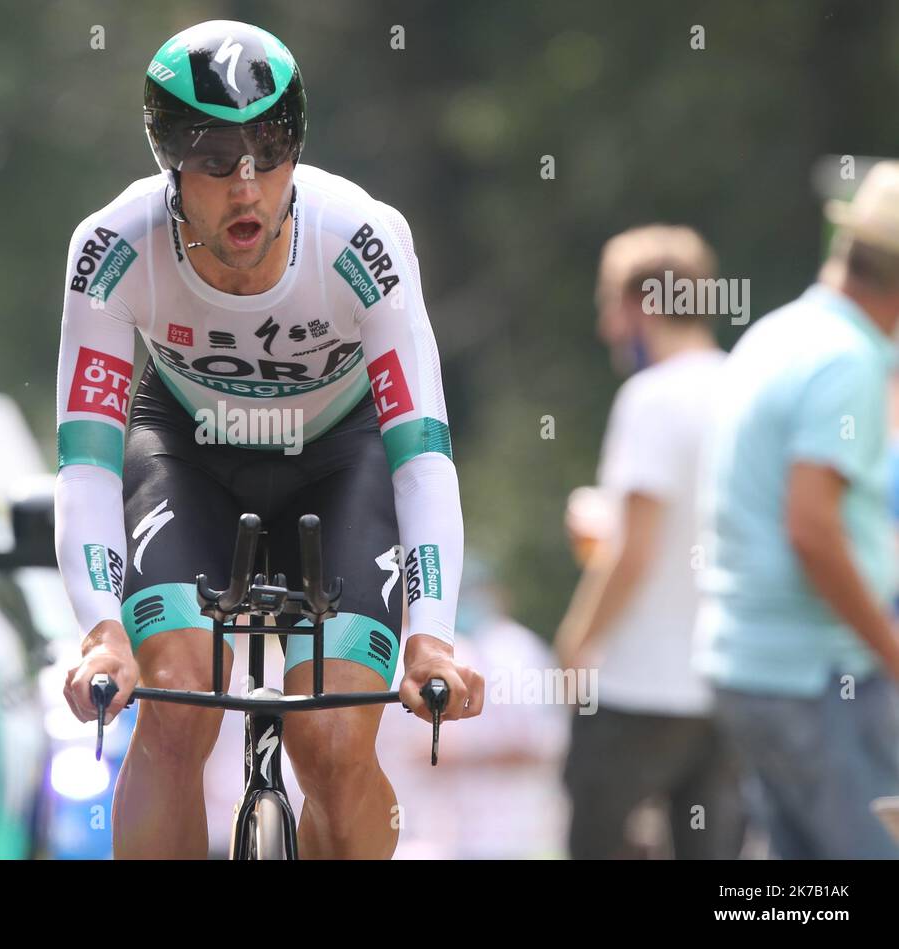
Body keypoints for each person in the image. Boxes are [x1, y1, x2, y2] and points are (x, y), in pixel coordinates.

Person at [53, 19, 483, 859]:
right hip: (189, 452)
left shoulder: (361, 239)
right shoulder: (111, 248)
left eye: (271, 151)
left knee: (328, 745)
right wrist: (102, 626)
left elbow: (421, 449)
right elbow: (88, 461)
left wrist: (432, 629)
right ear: (169, 162)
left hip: (341, 457)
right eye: (216, 160)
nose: (247, 188)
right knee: (174, 704)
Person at [695, 161, 899, 859]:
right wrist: (893, 651)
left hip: (753, 668)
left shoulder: (780, 332)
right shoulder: (849, 361)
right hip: (817, 678)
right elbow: (813, 528)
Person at [555, 225, 744, 859]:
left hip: (637, 686)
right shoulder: (742, 388)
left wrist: (575, 643)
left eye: (612, 305)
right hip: (722, 684)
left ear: (644, 305)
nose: (609, 327)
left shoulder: (652, 399)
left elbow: (634, 554)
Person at [379, 558, 570, 859]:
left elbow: (544, 741)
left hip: (505, 834)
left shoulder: (516, 649)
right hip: (432, 832)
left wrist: (463, 752)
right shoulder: (414, 653)